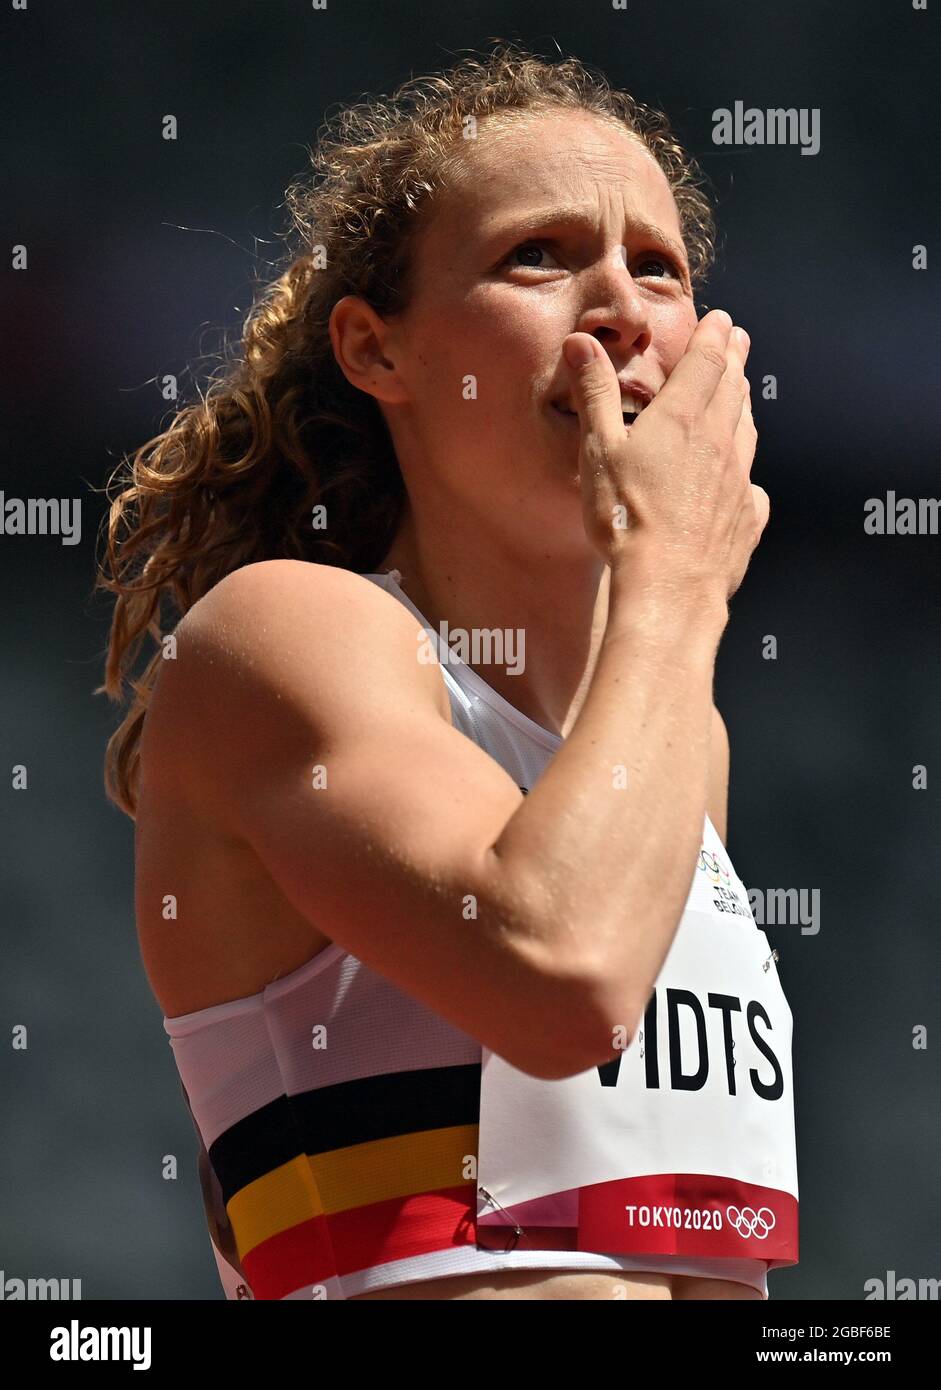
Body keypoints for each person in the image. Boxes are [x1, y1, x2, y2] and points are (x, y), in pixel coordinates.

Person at [96, 42, 794, 1301]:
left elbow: (691, 1258)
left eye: (657, 267)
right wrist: (675, 583)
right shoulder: (286, 634)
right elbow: (559, 977)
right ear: (375, 351)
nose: (622, 312)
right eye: (539, 255)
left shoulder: (680, 728)